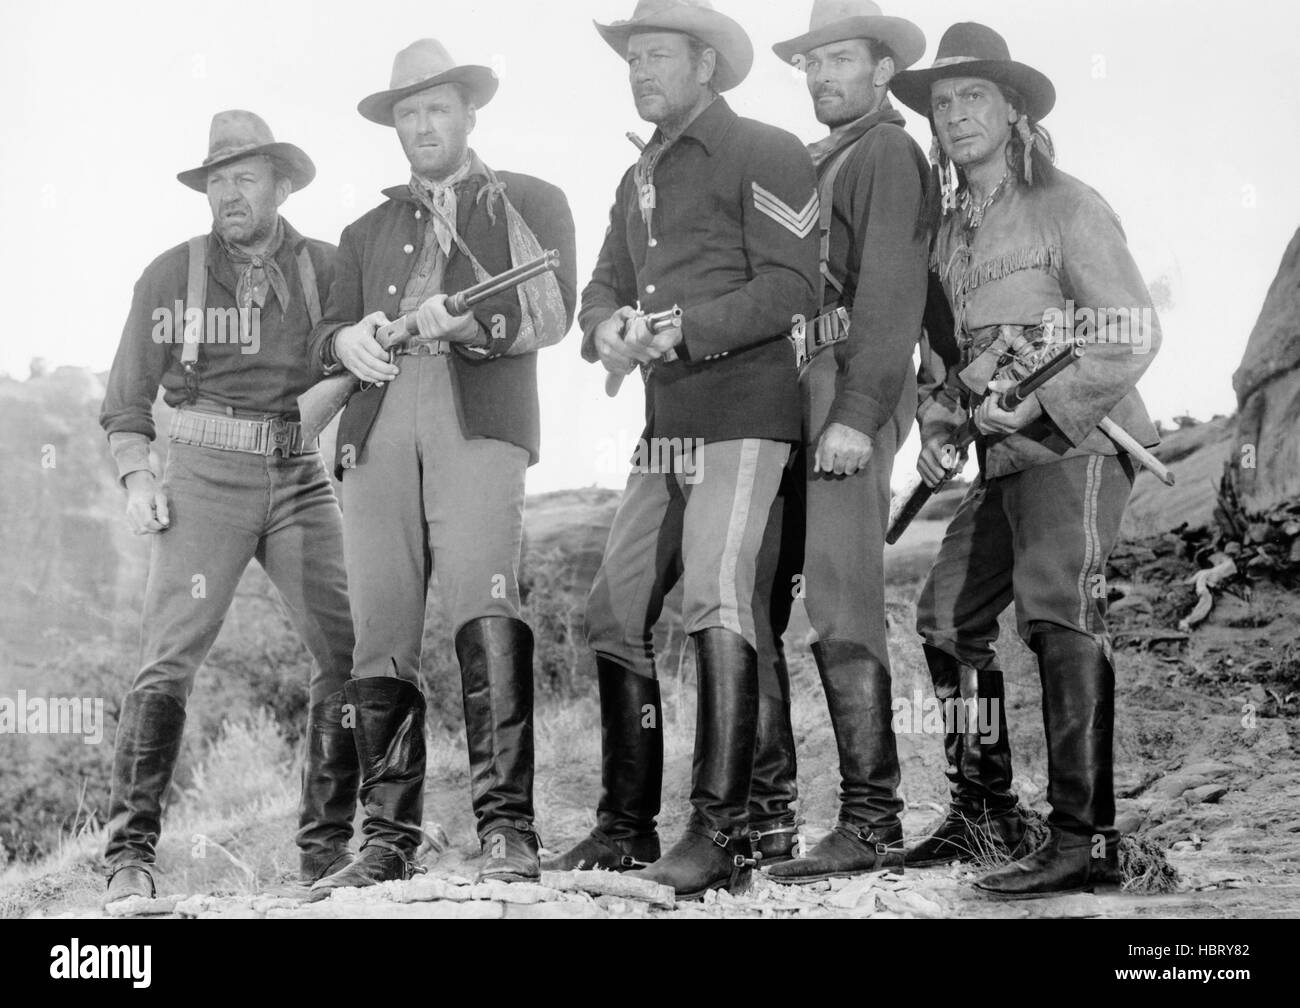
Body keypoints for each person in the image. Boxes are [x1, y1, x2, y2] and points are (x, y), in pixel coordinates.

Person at [545, 0, 820, 898]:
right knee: (614, 607)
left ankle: (725, 835)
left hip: (745, 412)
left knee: (716, 595)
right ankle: (627, 827)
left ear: (706, 63)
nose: (640, 70)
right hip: (665, 428)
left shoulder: (765, 150)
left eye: (657, 55)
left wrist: (683, 331)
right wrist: (608, 329)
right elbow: (599, 288)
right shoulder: (637, 177)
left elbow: (791, 287)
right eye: (633, 58)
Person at [890, 22, 1162, 897]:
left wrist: (1042, 400)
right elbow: (946, 362)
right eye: (943, 103)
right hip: (1001, 461)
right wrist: (938, 428)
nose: (957, 114)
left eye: (975, 97)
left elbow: (1130, 329)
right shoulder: (948, 236)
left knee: (1055, 609)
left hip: (1081, 444)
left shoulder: (1069, 206)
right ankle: (985, 813)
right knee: (946, 618)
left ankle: (1087, 839)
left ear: (1013, 113)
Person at [306, 39, 576, 896]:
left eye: (437, 109)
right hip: (376, 421)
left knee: (482, 604)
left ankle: (506, 829)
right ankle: (387, 838)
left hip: (476, 415)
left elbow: (554, 309)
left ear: (469, 114)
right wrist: (343, 339)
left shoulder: (529, 200)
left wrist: (463, 323)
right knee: (380, 630)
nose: (423, 125)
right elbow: (326, 338)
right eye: (408, 113)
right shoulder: (362, 230)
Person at [99, 111, 355, 902]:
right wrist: (139, 478)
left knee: (347, 653)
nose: (228, 193)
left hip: (300, 477)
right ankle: (129, 858)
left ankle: (325, 852)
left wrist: (327, 410)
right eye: (217, 180)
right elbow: (125, 399)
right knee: (167, 660)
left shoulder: (328, 266)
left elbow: (358, 355)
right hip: (205, 474)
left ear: (282, 184)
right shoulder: (170, 273)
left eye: (245, 177)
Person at [763, 0, 930, 884]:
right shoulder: (819, 160)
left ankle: (872, 819)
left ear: (883, 69)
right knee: (762, 592)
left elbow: (893, 296)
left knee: (840, 593)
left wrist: (858, 415)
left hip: (846, 385)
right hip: (799, 384)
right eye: (812, 62)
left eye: (841, 59)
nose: (823, 76)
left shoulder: (889, 153)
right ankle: (766, 818)